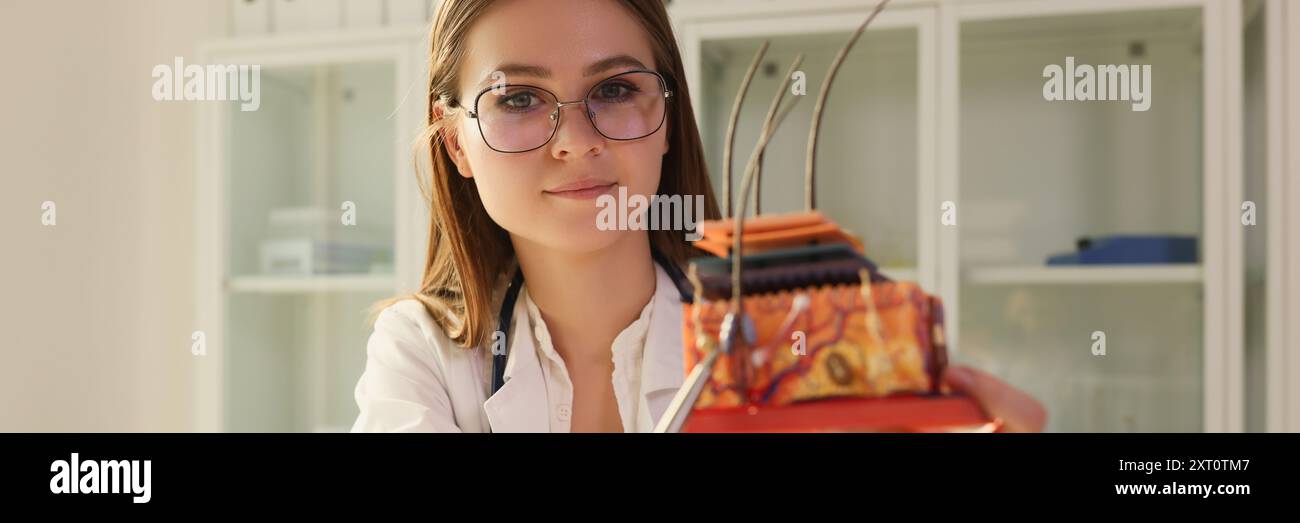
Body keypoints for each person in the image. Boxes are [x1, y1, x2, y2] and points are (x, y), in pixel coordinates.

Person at [350, 0, 1047, 433]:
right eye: (519, 98)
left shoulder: (789, 346)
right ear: (455, 143)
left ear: (667, 120)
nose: (576, 140)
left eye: (615, 88)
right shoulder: (420, 353)